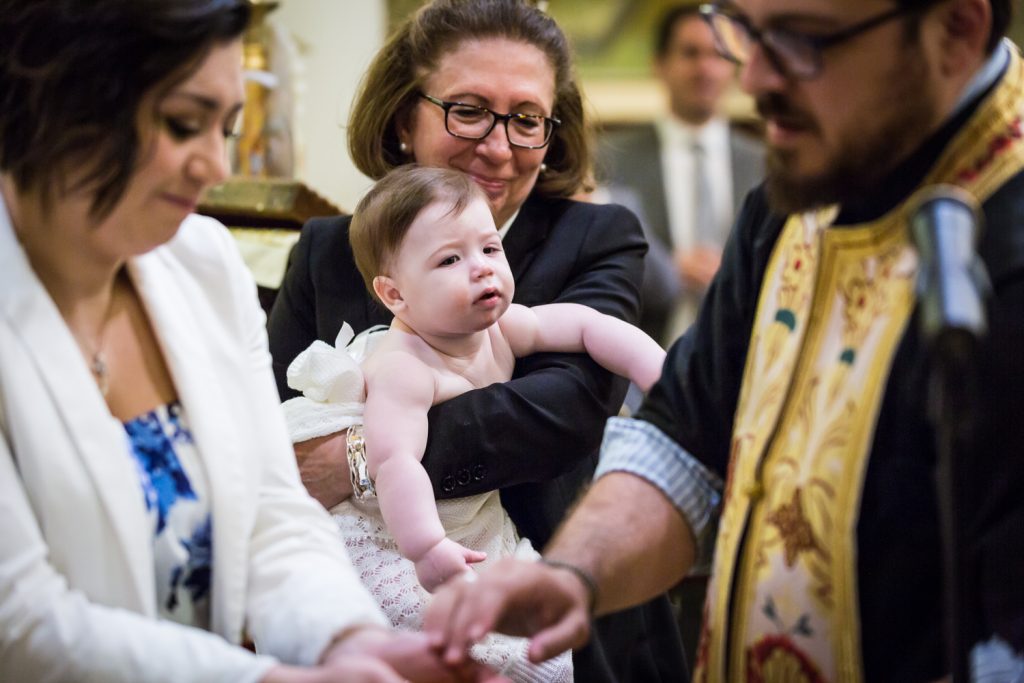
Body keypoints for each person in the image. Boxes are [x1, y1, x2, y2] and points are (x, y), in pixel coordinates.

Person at [423, 0, 1024, 681]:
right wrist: (576, 573)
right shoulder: (796, 193)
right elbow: (684, 440)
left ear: (956, 28)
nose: (755, 76)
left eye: (801, 40)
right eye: (746, 30)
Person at [0, 2, 503, 682]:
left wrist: (349, 638)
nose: (214, 164)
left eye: (228, 126)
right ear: (59, 96)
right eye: (184, 124)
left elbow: (271, 508)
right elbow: (20, 621)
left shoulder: (201, 262)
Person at [267, 0, 689, 681]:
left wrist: (357, 457)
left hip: (568, 621)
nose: (498, 146)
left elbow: (560, 411)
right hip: (368, 625)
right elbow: (268, 439)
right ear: (405, 117)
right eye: (468, 109)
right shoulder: (327, 249)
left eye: (527, 119)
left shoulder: (596, 237)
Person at [284, 165, 667, 681]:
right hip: (387, 533)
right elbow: (393, 462)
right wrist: (426, 548)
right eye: (450, 259)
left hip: (474, 521)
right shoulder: (405, 367)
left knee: (541, 637)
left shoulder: (501, 327)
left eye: (490, 249)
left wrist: (659, 372)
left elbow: (588, 325)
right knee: (437, 633)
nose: (483, 269)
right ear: (395, 295)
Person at [597, 4, 764, 347]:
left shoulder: (765, 164)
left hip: (737, 356)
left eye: (718, 55)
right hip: (640, 355)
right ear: (660, 65)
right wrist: (662, 269)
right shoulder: (609, 158)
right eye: (690, 53)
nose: (705, 68)